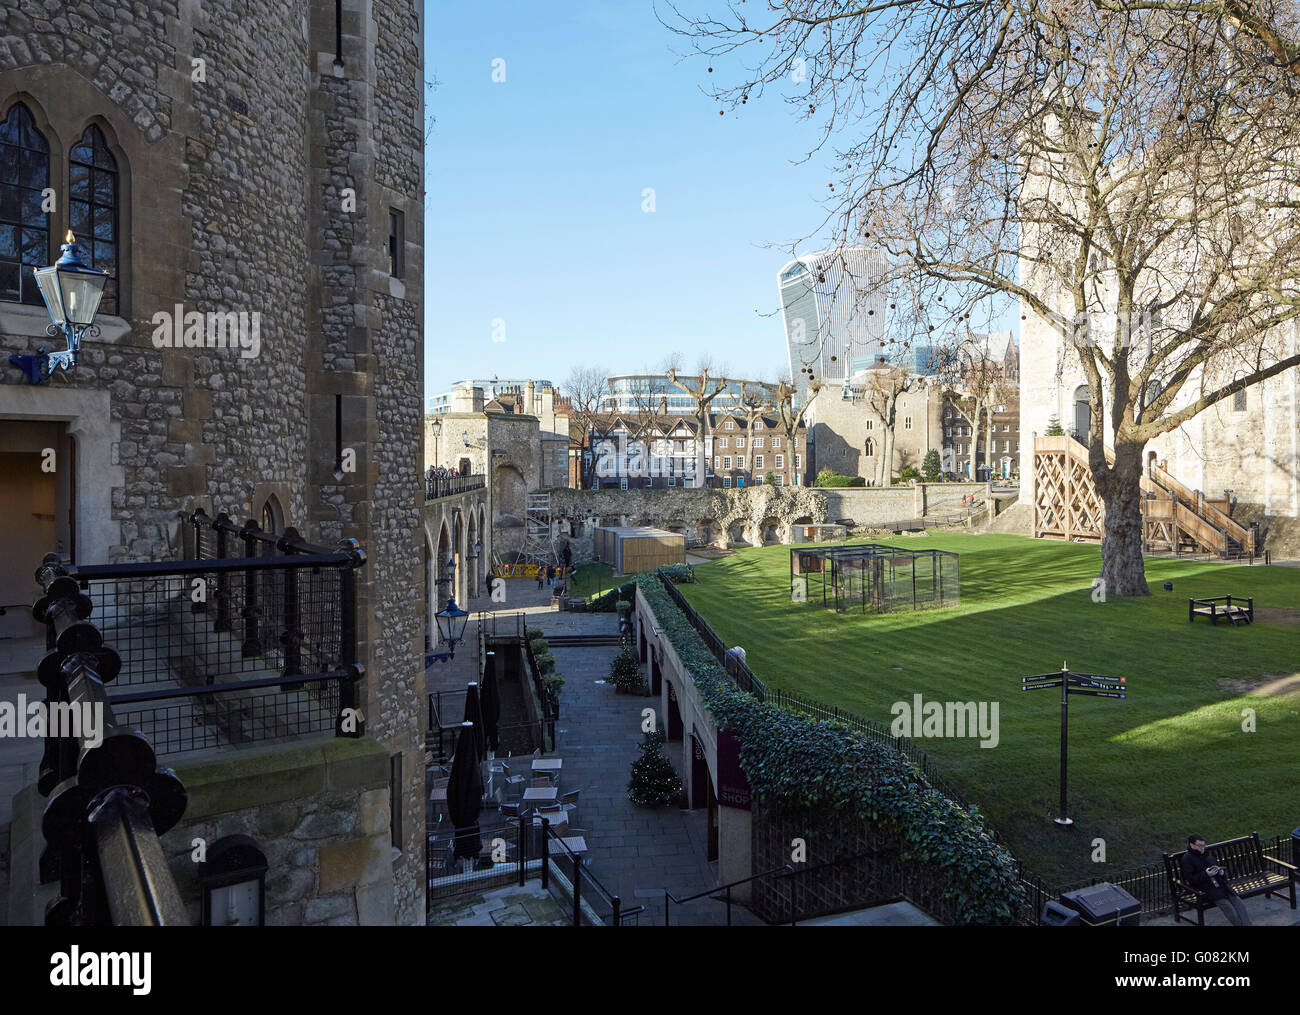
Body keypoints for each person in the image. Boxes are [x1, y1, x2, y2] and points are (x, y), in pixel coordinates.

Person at [1180, 834, 1251, 926]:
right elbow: (1191, 879)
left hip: (1221, 886)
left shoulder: (1207, 855)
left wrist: (1221, 873)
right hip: (1206, 890)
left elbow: (1219, 872)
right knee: (1230, 909)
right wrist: (1206, 874)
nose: (1202, 848)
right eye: (1199, 846)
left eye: (1203, 845)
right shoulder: (1187, 859)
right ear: (1192, 845)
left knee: (1240, 904)